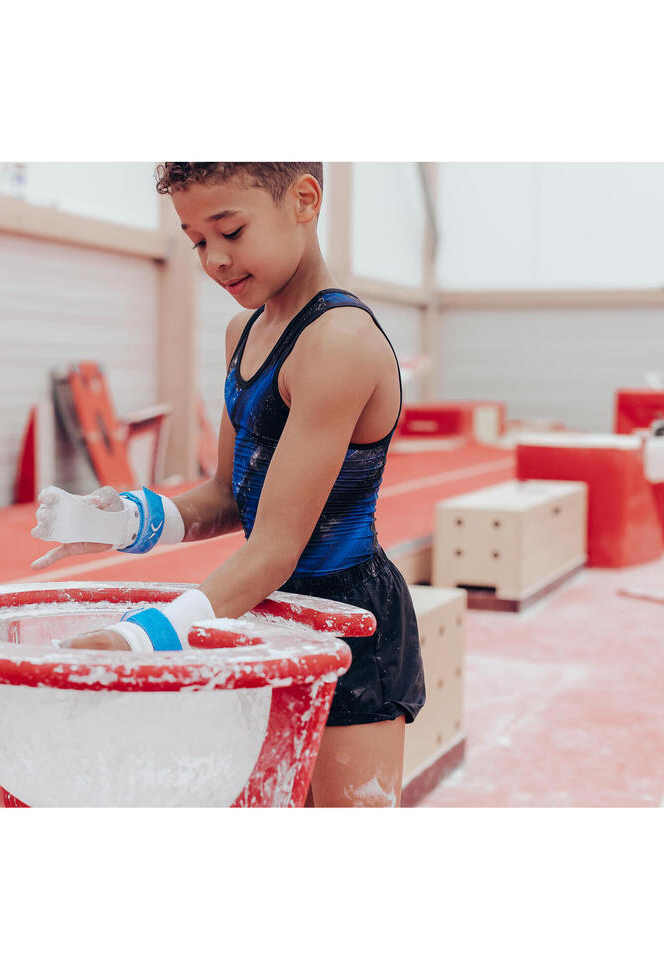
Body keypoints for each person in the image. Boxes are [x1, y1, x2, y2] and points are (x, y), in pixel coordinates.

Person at [31, 162, 425, 807]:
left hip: (350, 620)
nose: (214, 259)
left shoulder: (340, 343)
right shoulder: (242, 333)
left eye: (231, 231)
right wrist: (123, 521)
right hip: (260, 607)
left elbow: (276, 546)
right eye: (196, 241)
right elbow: (227, 495)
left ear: (303, 200)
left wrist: (142, 637)